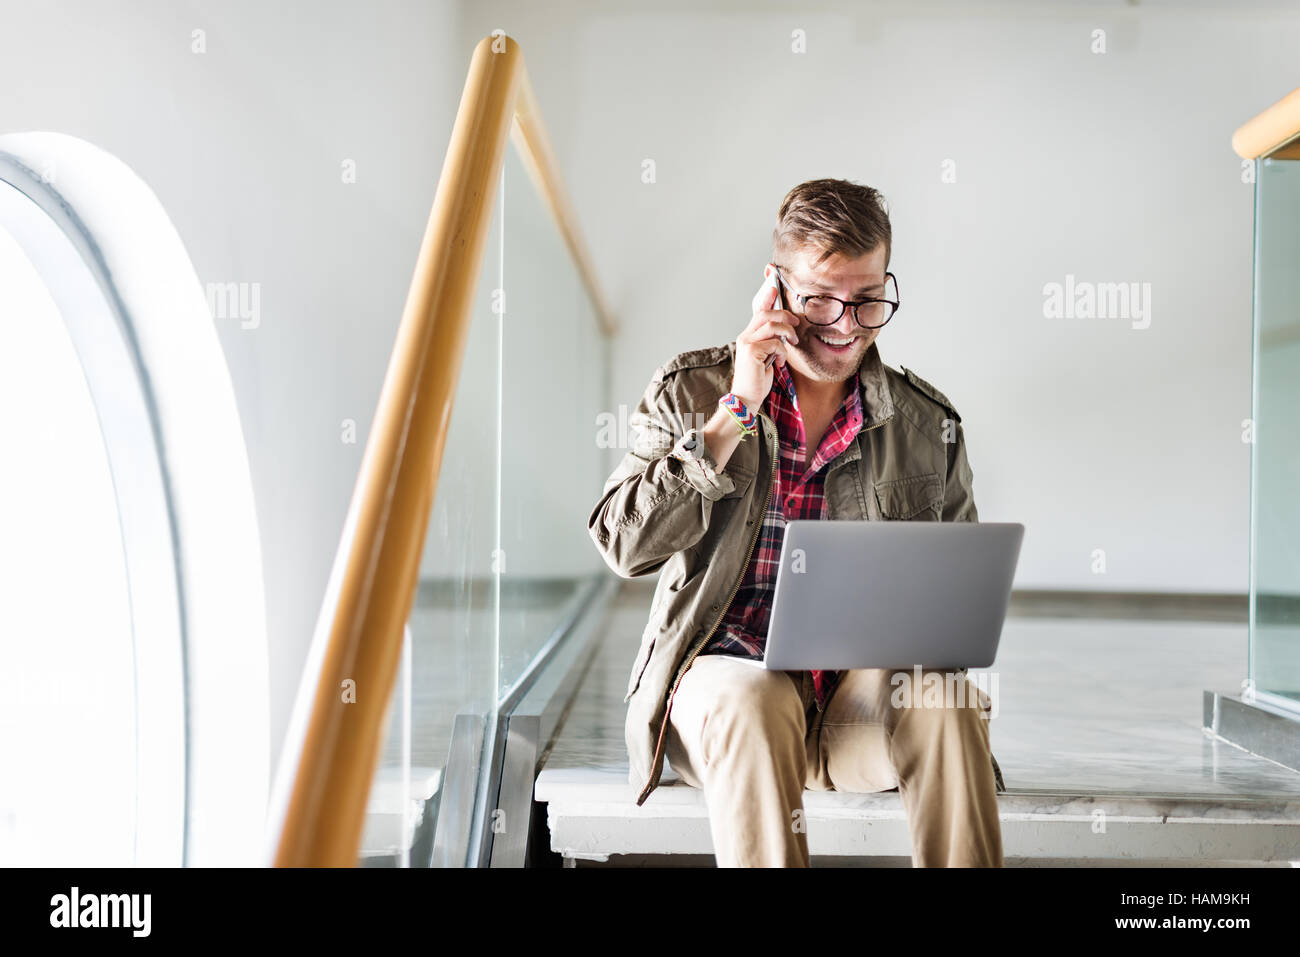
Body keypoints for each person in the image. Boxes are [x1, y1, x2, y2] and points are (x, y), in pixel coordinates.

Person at [588, 178, 1004, 867]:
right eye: (819, 299)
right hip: (729, 690)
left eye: (869, 299)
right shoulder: (691, 391)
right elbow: (621, 544)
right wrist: (733, 415)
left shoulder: (929, 425)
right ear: (775, 290)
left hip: (851, 710)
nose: (845, 325)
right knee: (754, 696)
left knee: (942, 693)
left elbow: (951, 611)